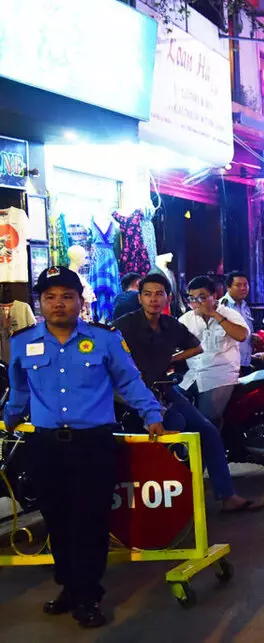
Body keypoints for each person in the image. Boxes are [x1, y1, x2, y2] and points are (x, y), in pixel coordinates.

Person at [4, 267, 164, 628]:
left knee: (90, 521)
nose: (58, 303)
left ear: (80, 300)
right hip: (45, 447)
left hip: (93, 446)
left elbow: (130, 380)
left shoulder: (105, 339)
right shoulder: (22, 342)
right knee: (57, 520)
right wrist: (10, 417)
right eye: (49, 297)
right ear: (39, 302)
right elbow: (19, 389)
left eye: (66, 296)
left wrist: (152, 413)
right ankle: (69, 587)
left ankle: (88, 595)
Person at [115, 274, 262, 518]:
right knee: (177, 429)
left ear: (168, 298)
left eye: (159, 294)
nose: (153, 299)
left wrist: (169, 360)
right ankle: (174, 501)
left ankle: (226, 496)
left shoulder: (170, 324)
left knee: (208, 431)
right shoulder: (124, 325)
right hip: (135, 394)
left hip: (169, 388)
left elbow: (197, 347)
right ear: (139, 298)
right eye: (148, 294)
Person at [179, 276, 250, 423]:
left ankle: (214, 445)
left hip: (220, 376)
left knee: (206, 420)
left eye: (202, 298)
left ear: (214, 296)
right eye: (192, 299)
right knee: (172, 408)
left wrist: (215, 315)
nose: (196, 303)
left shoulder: (229, 314)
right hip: (193, 375)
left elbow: (242, 336)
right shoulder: (185, 319)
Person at [220, 271, 256, 375]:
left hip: (245, 361)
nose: (243, 288)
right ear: (228, 287)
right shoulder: (222, 307)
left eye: (245, 285)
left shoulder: (245, 306)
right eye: (238, 285)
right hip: (230, 364)